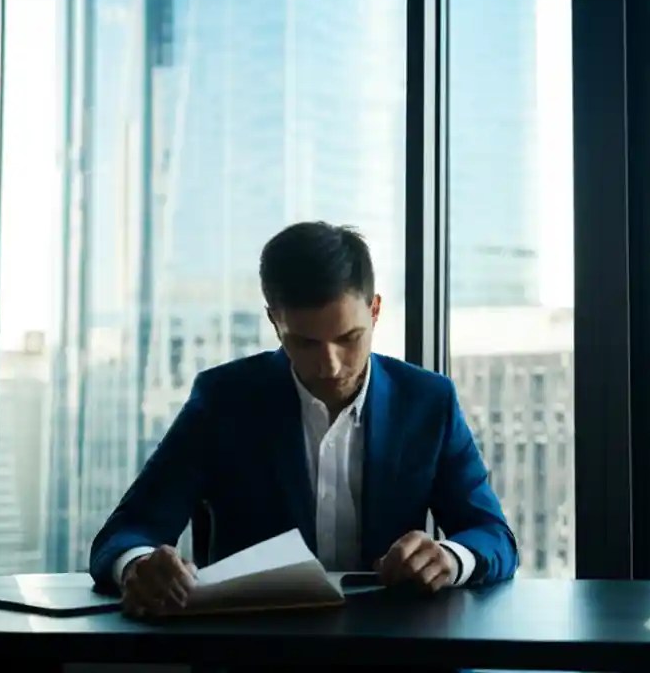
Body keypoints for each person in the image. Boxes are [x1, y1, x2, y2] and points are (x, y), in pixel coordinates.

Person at [89, 221, 518, 617]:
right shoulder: (224, 401)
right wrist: (140, 567)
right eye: (305, 342)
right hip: (257, 653)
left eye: (349, 339)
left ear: (375, 311)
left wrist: (451, 558)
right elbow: (126, 533)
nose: (330, 366)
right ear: (275, 321)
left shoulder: (428, 401)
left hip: (395, 652)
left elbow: (491, 534)